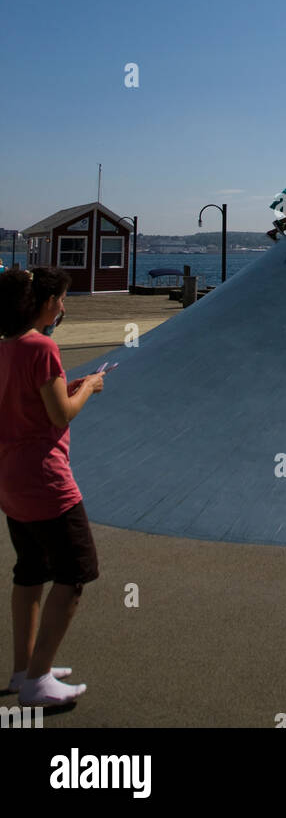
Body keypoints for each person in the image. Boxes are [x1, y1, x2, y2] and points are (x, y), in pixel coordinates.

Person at [0, 267, 105, 707]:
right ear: (42, 304)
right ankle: (39, 681)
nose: (63, 306)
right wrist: (90, 387)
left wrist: (65, 390)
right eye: (60, 299)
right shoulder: (42, 348)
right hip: (46, 483)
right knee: (75, 572)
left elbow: (30, 402)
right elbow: (61, 414)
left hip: (10, 479)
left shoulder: (5, 348)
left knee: (29, 570)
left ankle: (24, 668)